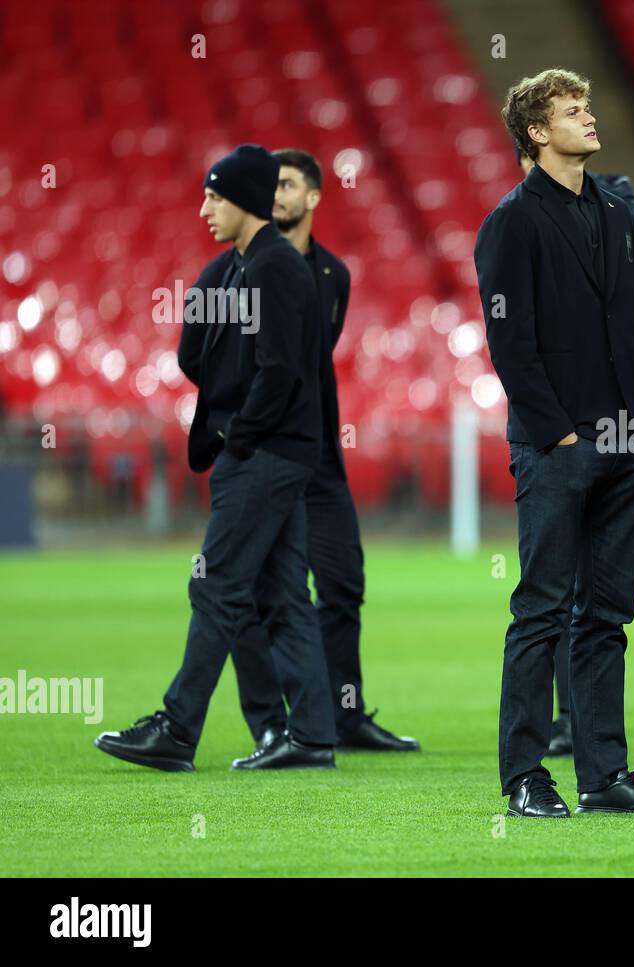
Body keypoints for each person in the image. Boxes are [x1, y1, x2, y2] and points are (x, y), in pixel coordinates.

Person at [475, 68, 634, 817]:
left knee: (606, 614)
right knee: (540, 610)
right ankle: (527, 775)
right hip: (557, 444)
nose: (589, 118)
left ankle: (605, 774)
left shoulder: (618, 215)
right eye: (572, 111)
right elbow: (510, 342)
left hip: (626, 441)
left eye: (588, 105)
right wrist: (560, 432)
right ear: (537, 133)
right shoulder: (512, 221)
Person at [95, 144, 335, 771]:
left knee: (216, 585)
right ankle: (309, 737)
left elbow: (279, 371)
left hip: (264, 453)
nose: (204, 207)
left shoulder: (274, 268)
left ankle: (178, 728)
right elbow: (190, 355)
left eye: (214, 196)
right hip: (268, 450)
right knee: (280, 595)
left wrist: (243, 433)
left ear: (245, 201)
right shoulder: (232, 268)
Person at [516, 149, 634, 758]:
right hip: (569, 417)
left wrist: (630, 392)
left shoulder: (622, 214)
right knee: (576, 559)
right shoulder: (539, 219)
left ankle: (577, 721)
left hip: (614, 413)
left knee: (580, 568)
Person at [227, 148, 419, 758]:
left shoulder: (334, 274)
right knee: (257, 590)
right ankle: (271, 720)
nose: (276, 193)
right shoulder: (241, 267)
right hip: (266, 452)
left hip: (319, 455)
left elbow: (312, 362)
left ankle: (344, 712)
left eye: (287, 185)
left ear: (313, 197)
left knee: (343, 584)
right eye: (271, 185)